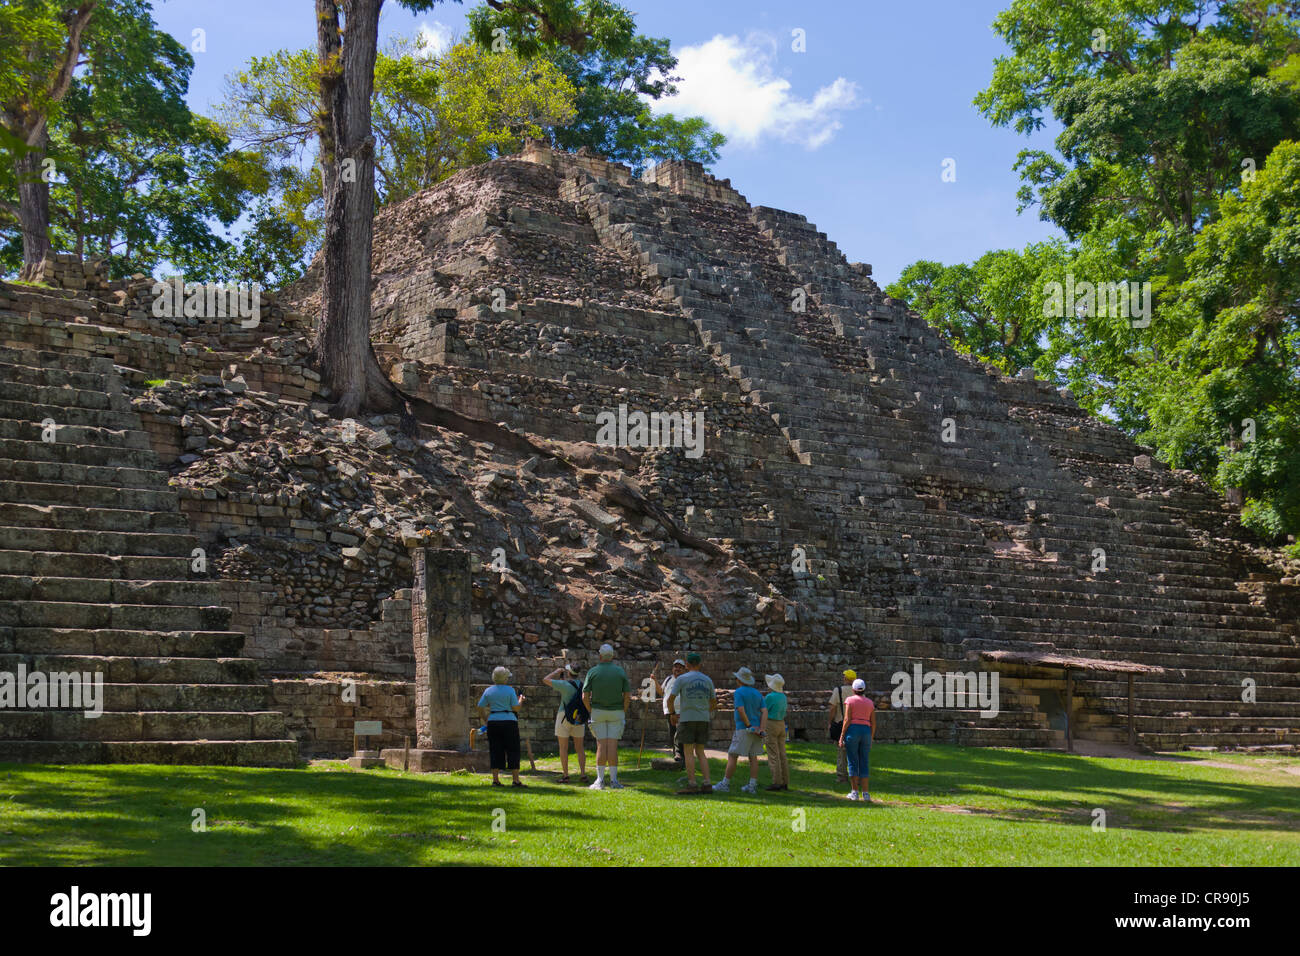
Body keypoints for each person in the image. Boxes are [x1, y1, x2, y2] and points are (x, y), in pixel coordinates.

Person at [582, 643, 631, 790]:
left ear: (600, 656)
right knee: (613, 746)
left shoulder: (593, 672)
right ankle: (614, 781)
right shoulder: (620, 671)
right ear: (612, 656)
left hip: (598, 711)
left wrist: (590, 710)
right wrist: (624, 709)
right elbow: (627, 695)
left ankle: (600, 780)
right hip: (616, 711)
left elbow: (585, 696)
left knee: (601, 745)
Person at [667, 652, 716, 793]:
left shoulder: (682, 679)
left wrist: (672, 714)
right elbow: (713, 702)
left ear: (687, 665)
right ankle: (707, 783)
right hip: (703, 718)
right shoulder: (707, 680)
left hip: (687, 718)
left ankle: (692, 784)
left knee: (688, 751)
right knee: (701, 751)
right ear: (700, 664)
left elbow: (670, 699)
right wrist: (704, 710)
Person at [713, 666, 765, 794]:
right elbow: (764, 711)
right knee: (753, 757)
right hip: (757, 729)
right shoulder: (757, 693)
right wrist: (761, 728)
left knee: (732, 755)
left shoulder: (739, 692)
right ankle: (752, 786)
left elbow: (740, 709)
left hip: (744, 728)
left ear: (739, 680)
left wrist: (748, 725)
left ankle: (725, 783)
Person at [477, 665, 526, 787]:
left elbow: (480, 706)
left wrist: (486, 719)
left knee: (495, 750)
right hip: (509, 721)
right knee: (513, 749)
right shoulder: (509, 690)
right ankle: (515, 780)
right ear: (505, 679)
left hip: (493, 721)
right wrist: (521, 700)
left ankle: (495, 780)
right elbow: (516, 708)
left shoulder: (488, 691)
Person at [543, 663, 587, 783]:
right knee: (580, 748)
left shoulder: (564, 685)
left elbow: (545, 680)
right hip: (579, 717)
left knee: (563, 747)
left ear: (569, 673)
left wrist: (556, 672)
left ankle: (566, 775)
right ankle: (583, 774)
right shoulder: (583, 685)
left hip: (564, 716)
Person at [838, 678, 876, 802]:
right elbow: (873, 722)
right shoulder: (870, 703)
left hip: (853, 730)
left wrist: (842, 736)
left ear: (853, 690)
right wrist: (871, 737)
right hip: (866, 730)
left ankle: (854, 792)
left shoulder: (850, 700)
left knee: (852, 760)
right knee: (864, 761)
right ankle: (866, 793)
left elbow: (847, 719)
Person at [761, 673, 790, 791]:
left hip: (771, 724)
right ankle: (785, 781)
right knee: (782, 753)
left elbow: (763, 711)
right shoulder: (783, 696)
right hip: (781, 724)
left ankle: (776, 781)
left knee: (773, 754)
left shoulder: (770, 697)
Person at [828, 668, 857, 783]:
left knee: (841, 751)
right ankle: (856, 776)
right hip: (855, 723)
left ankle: (841, 776)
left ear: (845, 678)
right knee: (855, 751)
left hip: (841, 722)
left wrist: (830, 721)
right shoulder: (858, 691)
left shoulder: (838, 690)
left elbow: (832, 707)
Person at [660, 658, 687, 763]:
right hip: (669, 710)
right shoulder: (668, 679)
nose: (678, 669)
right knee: (672, 734)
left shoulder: (685, 680)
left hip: (681, 711)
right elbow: (662, 692)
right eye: (676, 666)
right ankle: (677, 755)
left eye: (680, 667)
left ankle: (680, 755)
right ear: (672, 668)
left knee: (679, 733)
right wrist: (654, 681)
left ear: (684, 669)